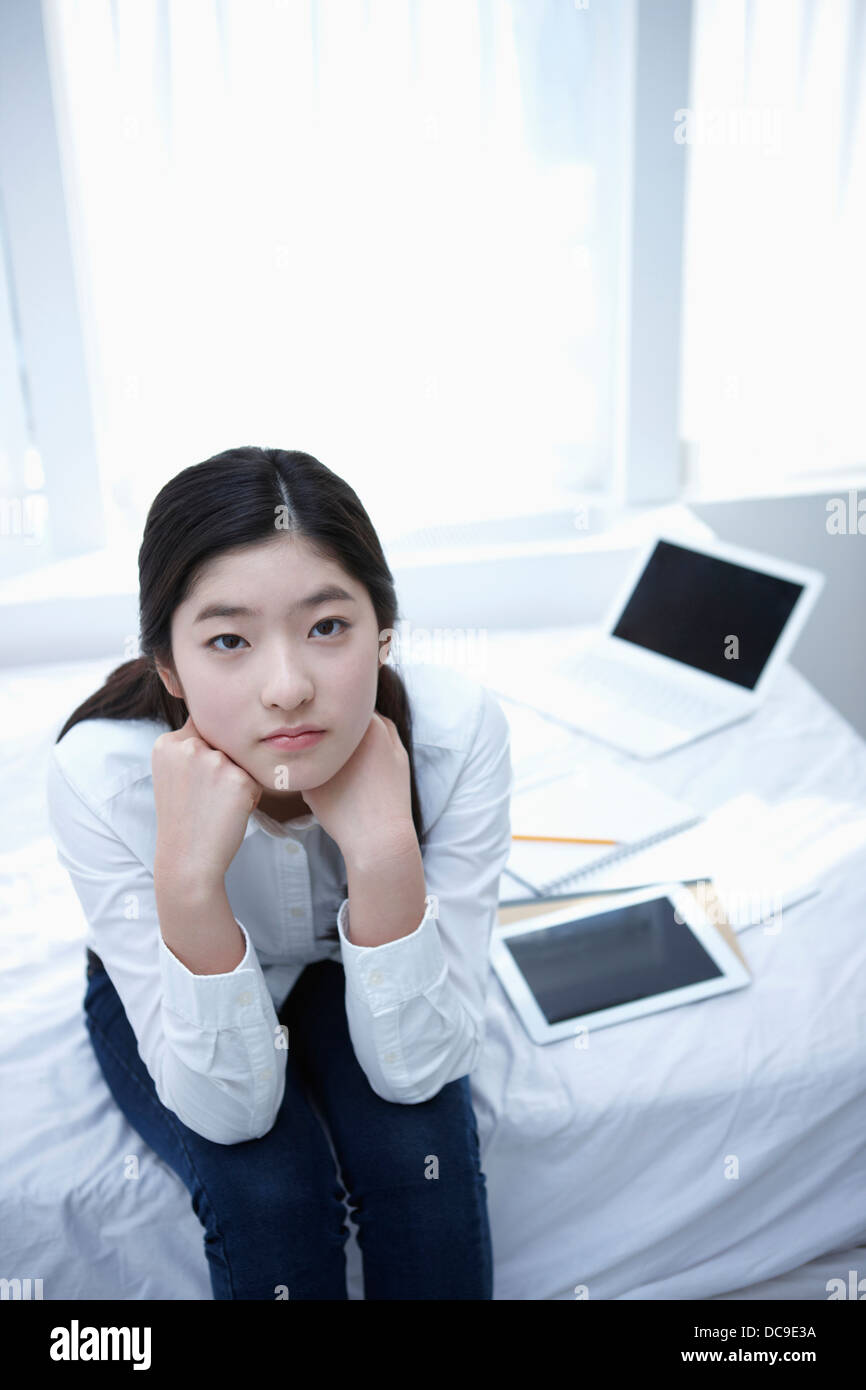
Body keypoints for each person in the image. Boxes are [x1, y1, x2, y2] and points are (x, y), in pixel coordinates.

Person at [45, 445, 513, 1300]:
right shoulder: (101, 775)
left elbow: (416, 1068)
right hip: (179, 975)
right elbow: (230, 1113)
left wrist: (382, 856)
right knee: (271, 1191)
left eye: (328, 627)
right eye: (229, 640)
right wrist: (188, 886)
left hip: (348, 962)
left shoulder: (456, 734)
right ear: (170, 668)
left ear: (384, 632)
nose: (289, 687)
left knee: (425, 1169)